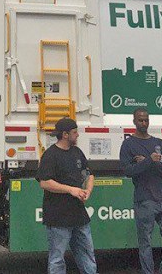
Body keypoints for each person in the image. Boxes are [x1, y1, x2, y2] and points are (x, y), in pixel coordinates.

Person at [36, 117, 97, 274]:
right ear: (65, 134)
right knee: (57, 258)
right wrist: (71, 190)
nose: (77, 135)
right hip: (58, 216)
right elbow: (45, 182)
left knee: (87, 254)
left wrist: (87, 191)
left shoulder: (77, 152)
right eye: (74, 132)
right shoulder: (50, 155)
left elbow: (89, 174)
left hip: (79, 215)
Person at [120, 108, 162, 274]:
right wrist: (148, 162)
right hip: (144, 200)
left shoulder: (159, 143)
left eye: (146, 120)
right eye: (140, 120)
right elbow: (127, 171)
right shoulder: (128, 144)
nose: (143, 123)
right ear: (134, 121)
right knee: (145, 242)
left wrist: (147, 162)